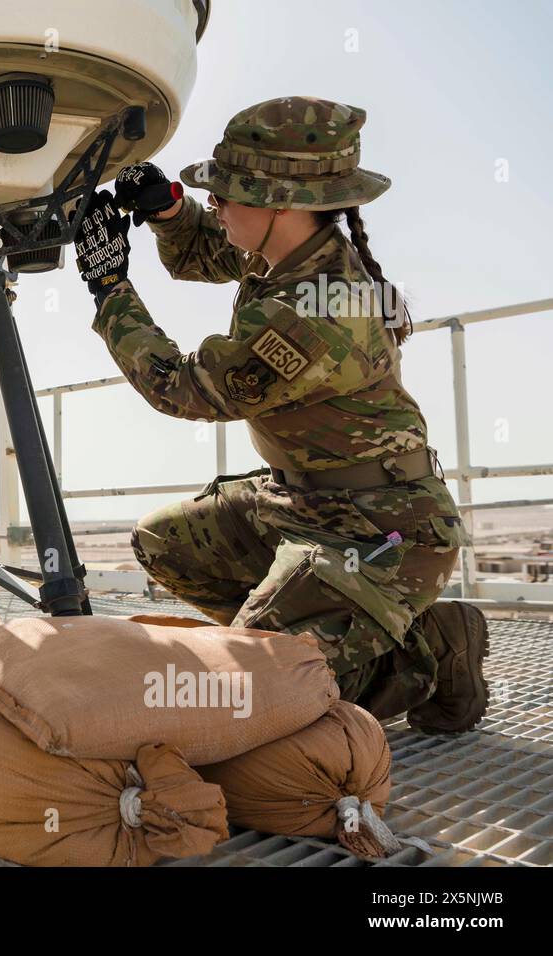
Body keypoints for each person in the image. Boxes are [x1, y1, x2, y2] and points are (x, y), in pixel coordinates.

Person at [74, 96, 488, 733]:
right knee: (163, 542)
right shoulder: (295, 255)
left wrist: (110, 290)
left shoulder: (320, 311)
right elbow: (208, 254)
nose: (216, 203)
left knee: (251, 702)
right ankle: (309, 635)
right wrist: (169, 210)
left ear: (281, 205)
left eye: (226, 194)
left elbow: (184, 390)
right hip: (302, 504)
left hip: (381, 535)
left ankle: (420, 654)